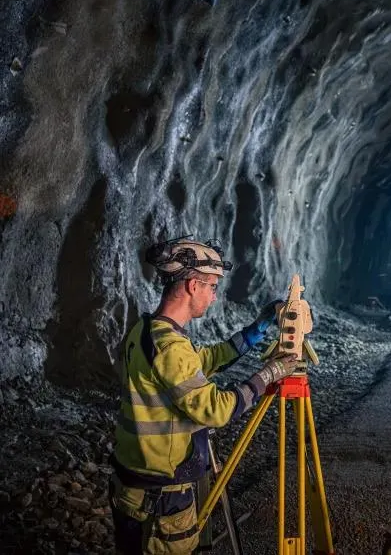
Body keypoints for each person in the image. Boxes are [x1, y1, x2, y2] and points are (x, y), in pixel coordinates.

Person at [109, 236, 296, 554]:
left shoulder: (146, 330)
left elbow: (201, 362)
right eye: (211, 287)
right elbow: (216, 411)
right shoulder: (171, 347)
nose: (213, 297)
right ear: (193, 286)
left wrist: (256, 330)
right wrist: (269, 376)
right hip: (160, 498)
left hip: (133, 487)